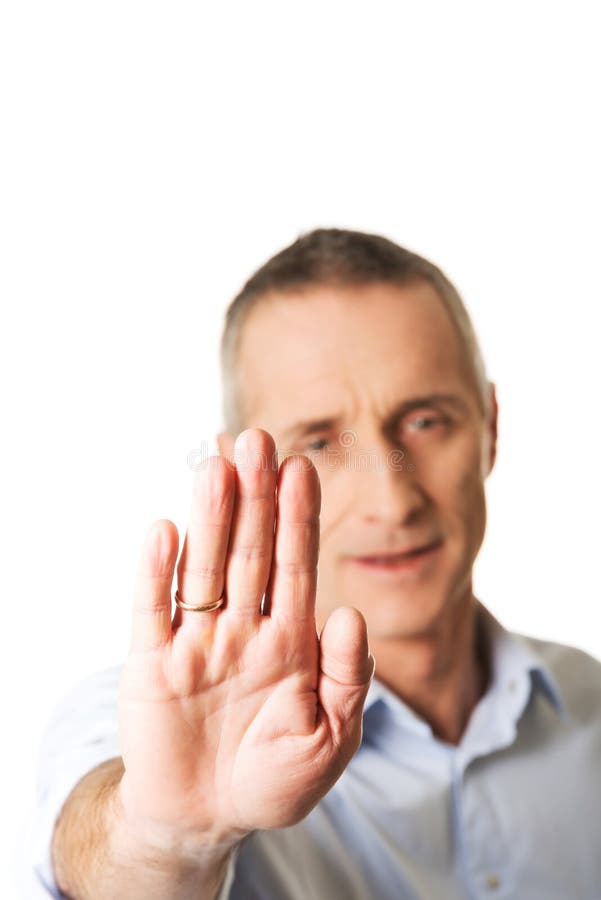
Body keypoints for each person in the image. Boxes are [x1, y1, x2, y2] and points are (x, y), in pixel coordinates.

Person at [21, 230, 601, 899]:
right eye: (323, 440)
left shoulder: (589, 701)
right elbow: (106, 860)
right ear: (245, 470)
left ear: (489, 427)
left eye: (425, 422)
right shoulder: (157, 727)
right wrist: (168, 839)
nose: (392, 499)